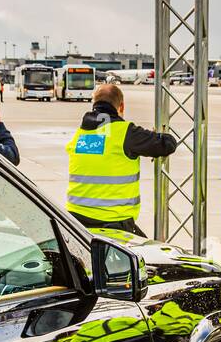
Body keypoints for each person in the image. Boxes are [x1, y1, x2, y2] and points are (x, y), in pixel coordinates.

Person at [65, 81, 177, 234]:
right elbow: (167, 144)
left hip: (76, 220)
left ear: (94, 104)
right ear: (121, 107)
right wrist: (155, 135)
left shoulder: (81, 134)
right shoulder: (125, 133)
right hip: (112, 222)